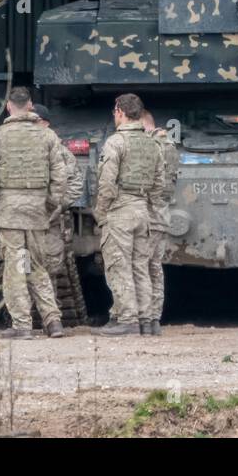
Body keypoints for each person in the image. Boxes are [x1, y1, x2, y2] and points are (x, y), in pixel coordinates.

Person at [0, 87, 67, 340]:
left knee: (17, 267)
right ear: (30, 106)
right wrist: (49, 205)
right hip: (37, 211)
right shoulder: (47, 136)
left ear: (8, 106)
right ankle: (53, 322)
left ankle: (22, 325)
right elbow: (60, 177)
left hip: (9, 212)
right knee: (37, 265)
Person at [93, 93, 163, 336]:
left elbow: (107, 183)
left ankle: (127, 319)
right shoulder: (152, 143)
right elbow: (159, 184)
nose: (114, 116)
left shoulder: (116, 142)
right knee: (140, 266)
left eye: (115, 112)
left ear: (121, 112)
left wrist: (102, 212)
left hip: (120, 211)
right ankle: (146, 320)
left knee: (119, 266)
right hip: (142, 210)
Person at [33, 104, 84, 289]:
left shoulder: (59, 151)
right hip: (20, 223)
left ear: (44, 123)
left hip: (47, 223)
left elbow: (75, 184)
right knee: (20, 269)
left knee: (49, 269)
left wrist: (59, 206)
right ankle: (23, 315)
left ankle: (49, 316)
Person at [140, 110, 178, 336]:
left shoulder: (149, 147)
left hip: (146, 213)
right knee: (154, 267)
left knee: (139, 266)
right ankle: (153, 319)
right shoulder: (168, 146)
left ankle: (140, 317)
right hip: (161, 213)